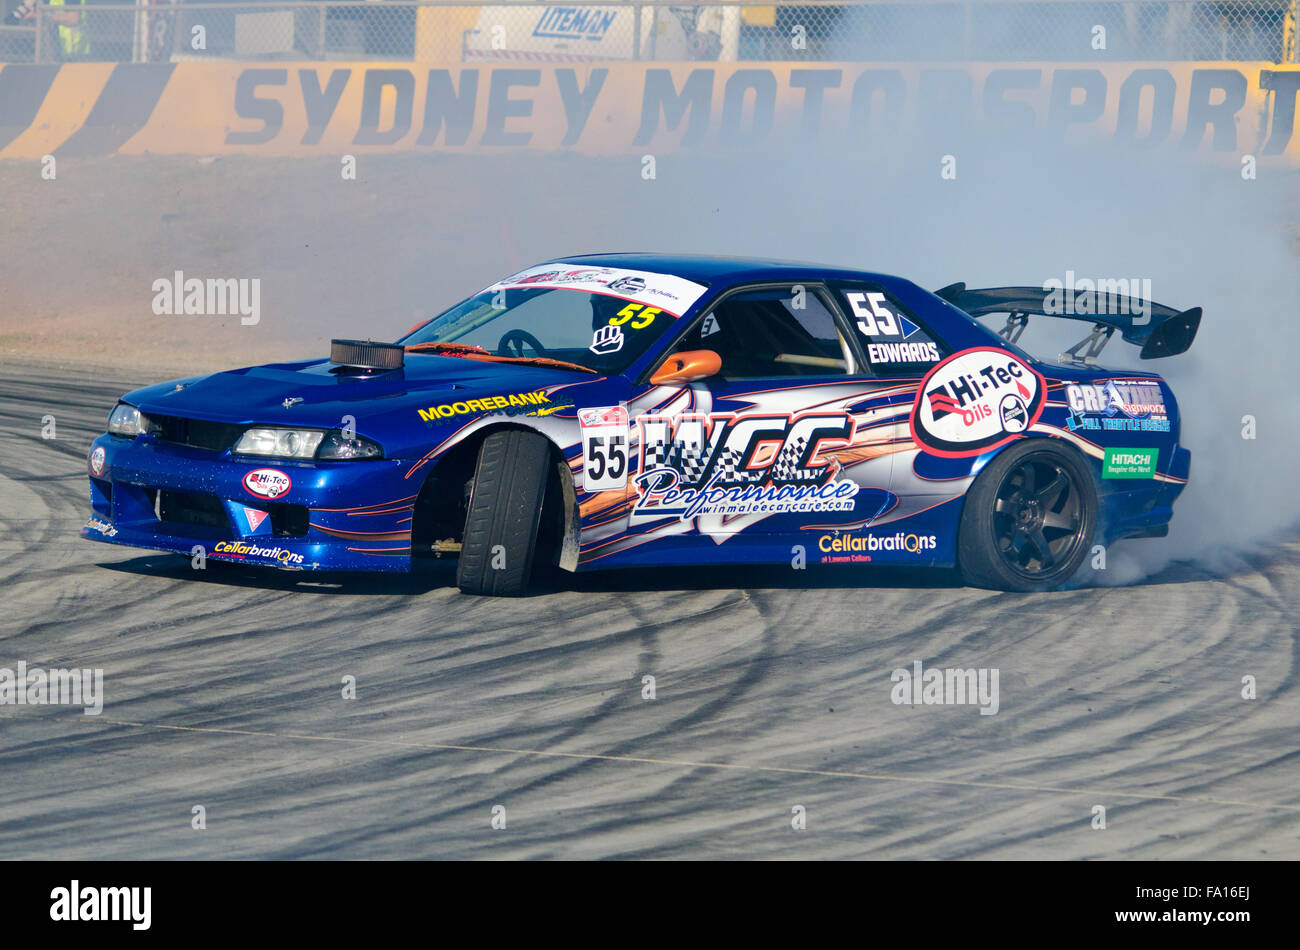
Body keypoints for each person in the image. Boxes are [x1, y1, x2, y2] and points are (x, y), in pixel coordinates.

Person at [6, 0, 88, 60]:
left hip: (75, 53)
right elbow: (47, 18)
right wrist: (33, 18)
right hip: (53, 52)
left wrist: (40, 16)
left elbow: (73, 19)